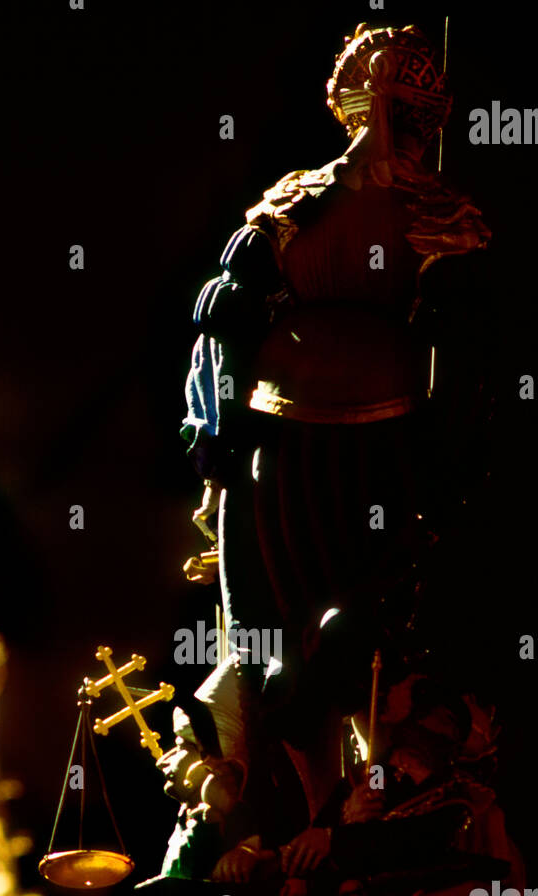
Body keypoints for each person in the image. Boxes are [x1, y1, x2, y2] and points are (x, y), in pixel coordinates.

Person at [182, 23, 495, 829]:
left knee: (367, 634)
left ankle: (375, 797)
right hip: (276, 450)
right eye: (381, 107)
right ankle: (315, 804)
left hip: (382, 451)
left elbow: (464, 352)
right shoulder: (295, 205)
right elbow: (225, 320)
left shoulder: (442, 219)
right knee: (275, 638)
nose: (386, 134)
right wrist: (216, 434)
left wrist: (449, 458)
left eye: (402, 112)